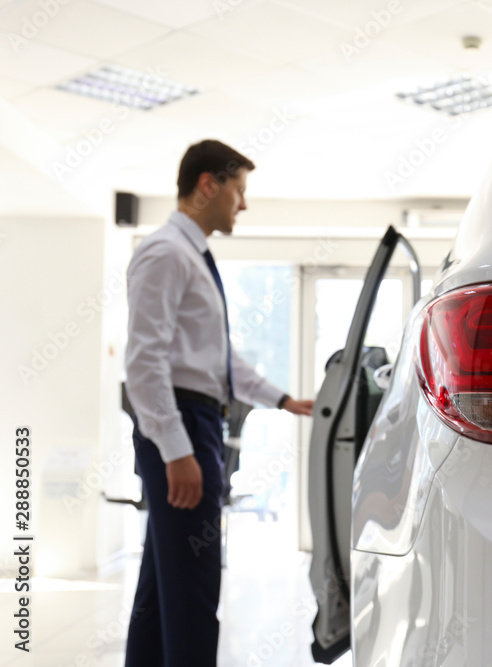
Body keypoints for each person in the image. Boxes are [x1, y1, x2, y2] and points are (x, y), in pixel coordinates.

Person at [123, 139, 313, 667]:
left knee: (162, 588)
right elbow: (144, 362)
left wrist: (283, 400)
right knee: (193, 587)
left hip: (194, 419)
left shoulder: (191, 257)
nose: (243, 204)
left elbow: (219, 361)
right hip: (182, 425)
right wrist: (176, 450)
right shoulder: (165, 252)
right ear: (209, 184)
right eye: (239, 190)